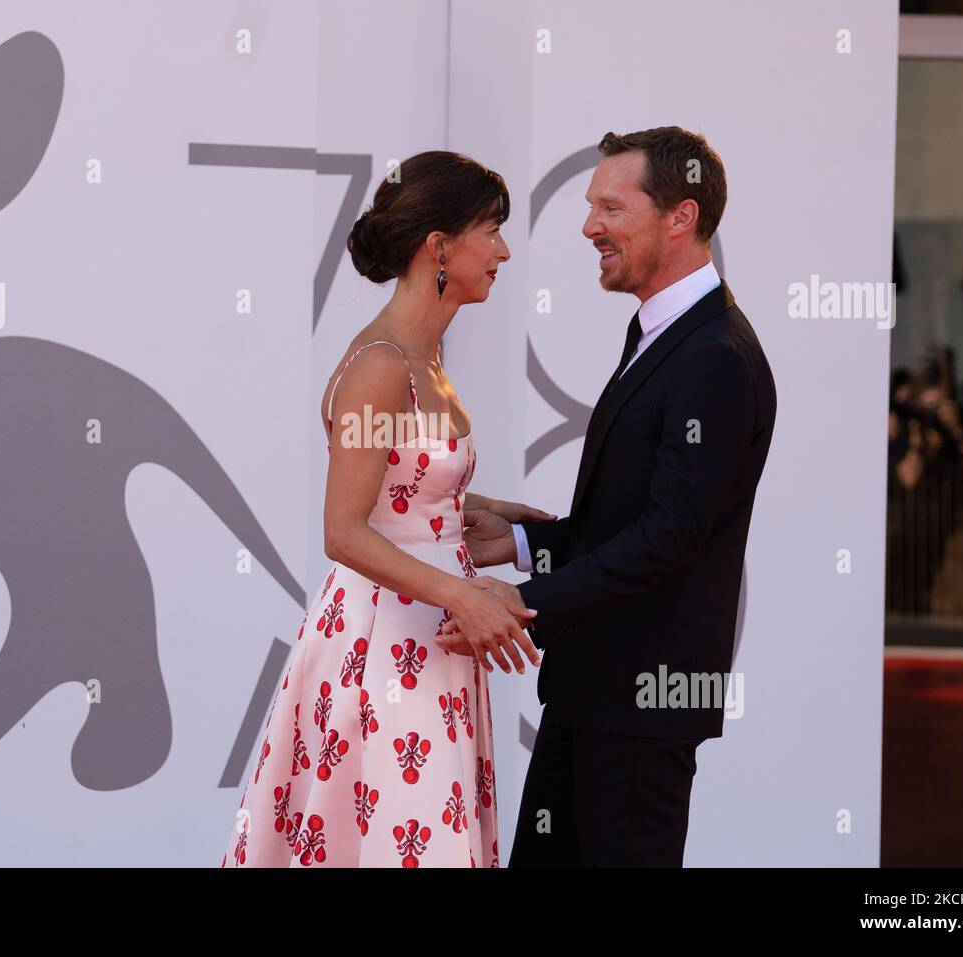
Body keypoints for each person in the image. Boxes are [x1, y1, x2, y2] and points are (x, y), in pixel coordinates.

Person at [443, 126, 778, 866]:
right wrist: (525, 539)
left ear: (679, 217)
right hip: (601, 696)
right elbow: (637, 518)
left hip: (641, 707)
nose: (589, 225)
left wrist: (522, 603)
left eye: (610, 207)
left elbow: (668, 540)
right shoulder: (667, 337)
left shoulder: (714, 358)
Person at [222, 151, 547, 868]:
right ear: (439, 247)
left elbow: (406, 491)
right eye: (490, 230)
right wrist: (466, 594)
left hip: (430, 640)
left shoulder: (423, 355)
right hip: (383, 652)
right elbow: (343, 529)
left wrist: (497, 515)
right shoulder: (382, 363)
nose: (502, 250)